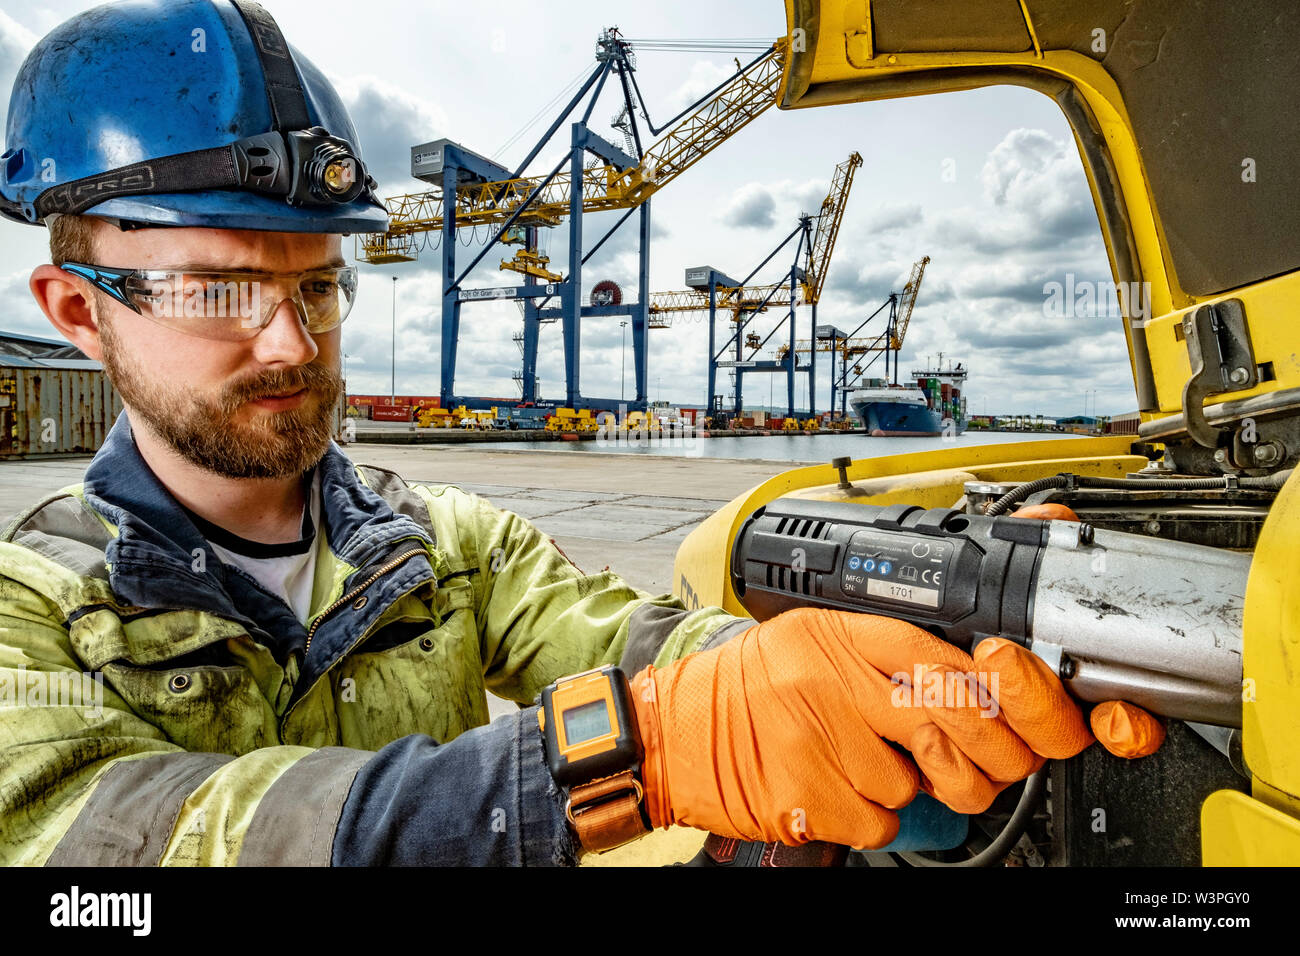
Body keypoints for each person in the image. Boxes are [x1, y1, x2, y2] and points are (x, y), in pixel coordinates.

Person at [0, 0, 1159, 867]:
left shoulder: (442, 544)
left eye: (317, 284)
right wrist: (634, 750)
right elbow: (122, 842)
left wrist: (878, 677)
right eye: (215, 288)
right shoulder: (30, 609)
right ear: (77, 312)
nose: (293, 341)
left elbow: (637, 640)